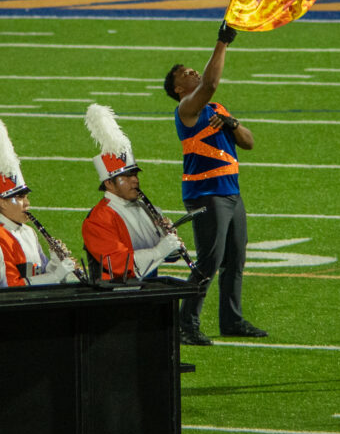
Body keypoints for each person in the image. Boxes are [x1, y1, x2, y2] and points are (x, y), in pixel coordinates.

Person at [165, 22, 264, 345]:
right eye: (186, 74)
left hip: (230, 192)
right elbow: (209, 84)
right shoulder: (187, 110)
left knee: (235, 258)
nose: (193, 73)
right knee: (210, 259)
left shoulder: (216, 109)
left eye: (194, 70)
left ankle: (231, 319)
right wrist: (222, 42)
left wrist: (234, 124)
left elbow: (249, 142)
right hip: (206, 194)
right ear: (178, 89)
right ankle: (186, 324)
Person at [80, 104, 183, 283]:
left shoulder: (148, 209)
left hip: (146, 291)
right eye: (126, 177)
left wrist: (171, 244)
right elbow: (118, 264)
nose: (134, 180)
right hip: (116, 297)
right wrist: (159, 250)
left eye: (134, 174)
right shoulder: (99, 219)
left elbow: (169, 257)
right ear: (109, 183)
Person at [0, 116, 80, 284]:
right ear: (2, 202)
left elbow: (39, 275)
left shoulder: (28, 232)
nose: (27, 203)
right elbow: (10, 285)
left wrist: (55, 263)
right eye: (20, 197)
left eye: (25, 197)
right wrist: (56, 275)